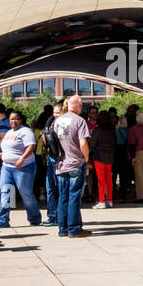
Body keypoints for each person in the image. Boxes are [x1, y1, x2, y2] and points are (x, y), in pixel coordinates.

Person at [52, 95, 92, 238]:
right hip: (76, 163)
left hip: (61, 164)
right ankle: (74, 229)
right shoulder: (80, 121)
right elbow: (83, 143)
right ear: (79, 107)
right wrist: (86, 159)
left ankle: (62, 229)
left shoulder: (58, 121)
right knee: (74, 196)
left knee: (63, 196)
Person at [0, 110, 40, 228]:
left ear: (20, 120)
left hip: (24, 167)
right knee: (6, 192)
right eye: (11, 119)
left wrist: (22, 159)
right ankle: (3, 221)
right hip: (7, 167)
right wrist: (1, 155)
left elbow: (31, 146)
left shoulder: (25, 131)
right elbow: (10, 149)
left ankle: (34, 219)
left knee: (25, 193)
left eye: (16, 119)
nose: (13, 121)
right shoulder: (9, 132)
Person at [89, 110, 115, 209]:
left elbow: (92, 144)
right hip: (110, 156)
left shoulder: (97, 130)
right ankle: (110, 200)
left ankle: (101, 201)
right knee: (109, 179)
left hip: (99, 156)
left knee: (101, 180)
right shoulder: (112, 130)